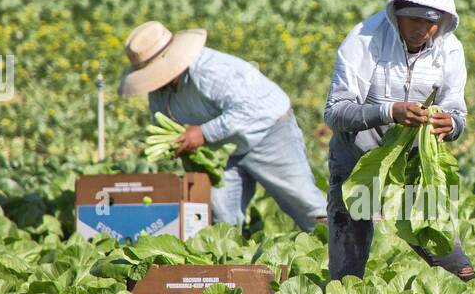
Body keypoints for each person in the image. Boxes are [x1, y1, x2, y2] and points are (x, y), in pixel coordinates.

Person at [323, 0, 475, 281]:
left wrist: (452, 125)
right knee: (346, 273)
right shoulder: (364, 40)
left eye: (431, 22)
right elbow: (335, 112)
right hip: (357, 166)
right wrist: (389, 111)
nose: (422, 29)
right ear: (397, 15)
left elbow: (456, 111)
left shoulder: (449, 50)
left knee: (454, 262)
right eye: (414, 20)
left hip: (414, 169)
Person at [118, 20, 327, 232]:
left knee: (306, 205)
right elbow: (164, 119)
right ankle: (232, 263)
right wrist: (175, 143)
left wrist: (203, 133)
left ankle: (341, 255)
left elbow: (249, 110)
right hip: (219, 150)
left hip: (267, 134)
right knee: (220, 217)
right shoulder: (159, 91)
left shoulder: (211, 71)